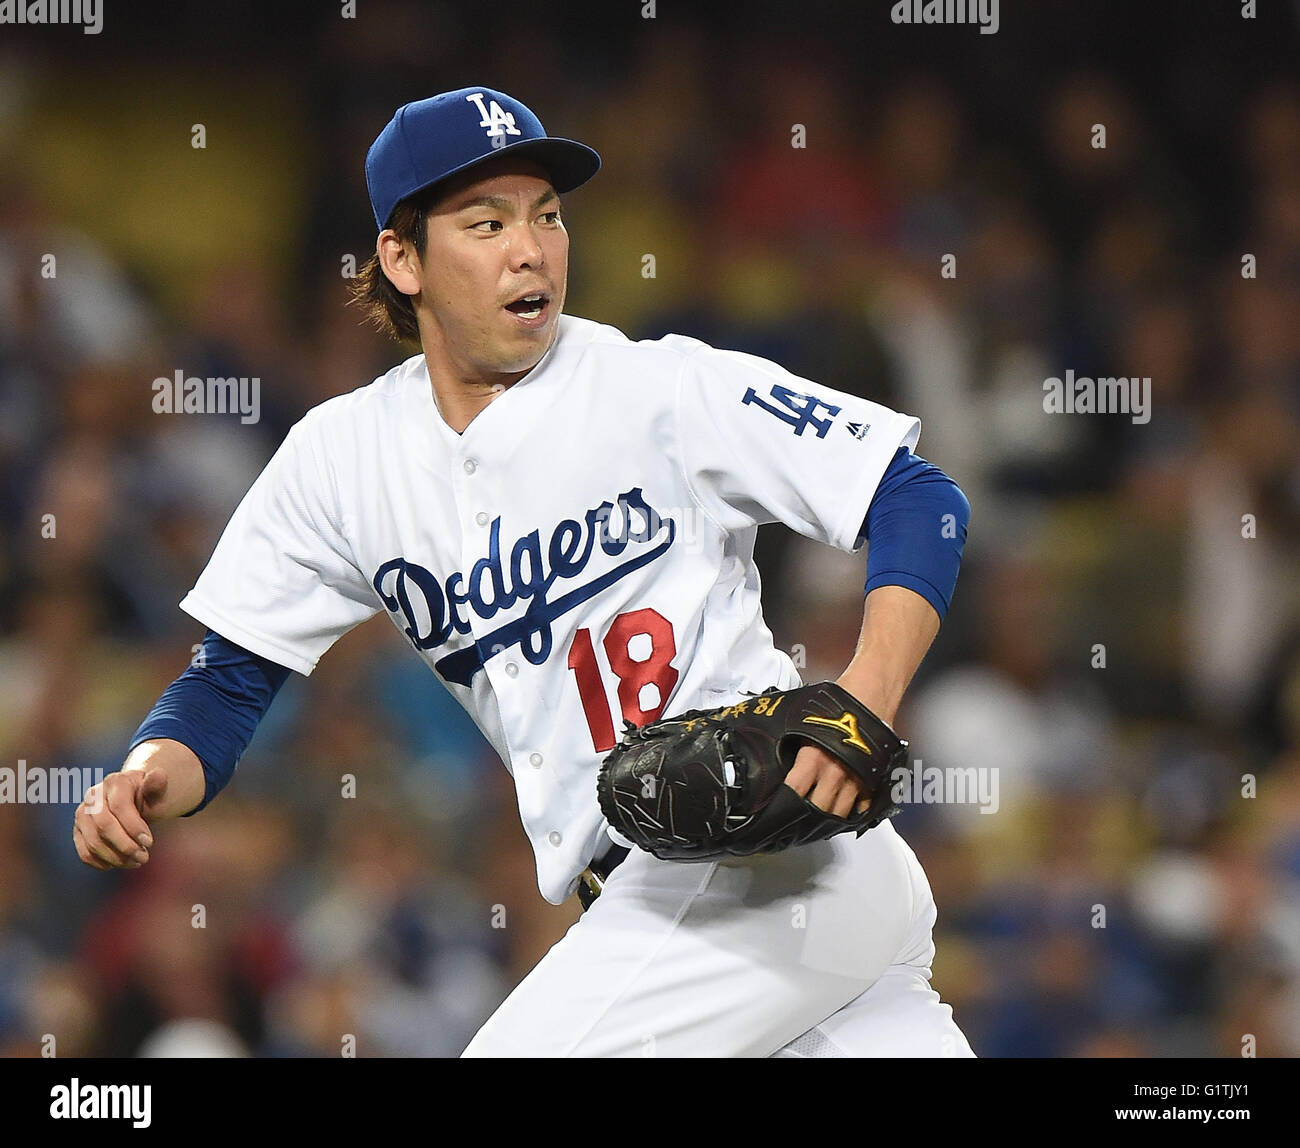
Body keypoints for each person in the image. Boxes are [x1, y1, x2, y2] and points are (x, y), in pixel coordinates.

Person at [73, 87, 975, 1058]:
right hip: (694, 907)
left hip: (763, 861)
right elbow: (227, 682)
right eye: (486, 220)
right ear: (401, 257)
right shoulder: (340, 458)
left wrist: (865, 697)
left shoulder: (656, 386)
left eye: (546, 214)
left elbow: (919, 498)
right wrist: (142, 776)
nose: (531, 246)